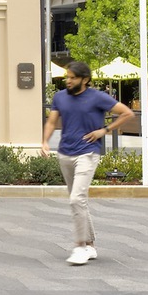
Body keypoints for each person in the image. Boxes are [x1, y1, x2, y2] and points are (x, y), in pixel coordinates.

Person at [41, 60, 134, 267]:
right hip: (65, 154)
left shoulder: (97, 97)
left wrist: (105, 130)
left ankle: (80, 246)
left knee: (76, 199)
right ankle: (91, 245)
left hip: (88, 153)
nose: (68, 81)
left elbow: (127, 113)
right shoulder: (60, 97)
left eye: (72, 78)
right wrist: (45, 141)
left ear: (85, 80)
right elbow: (51, 121)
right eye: (67, 77)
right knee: (79, 200)